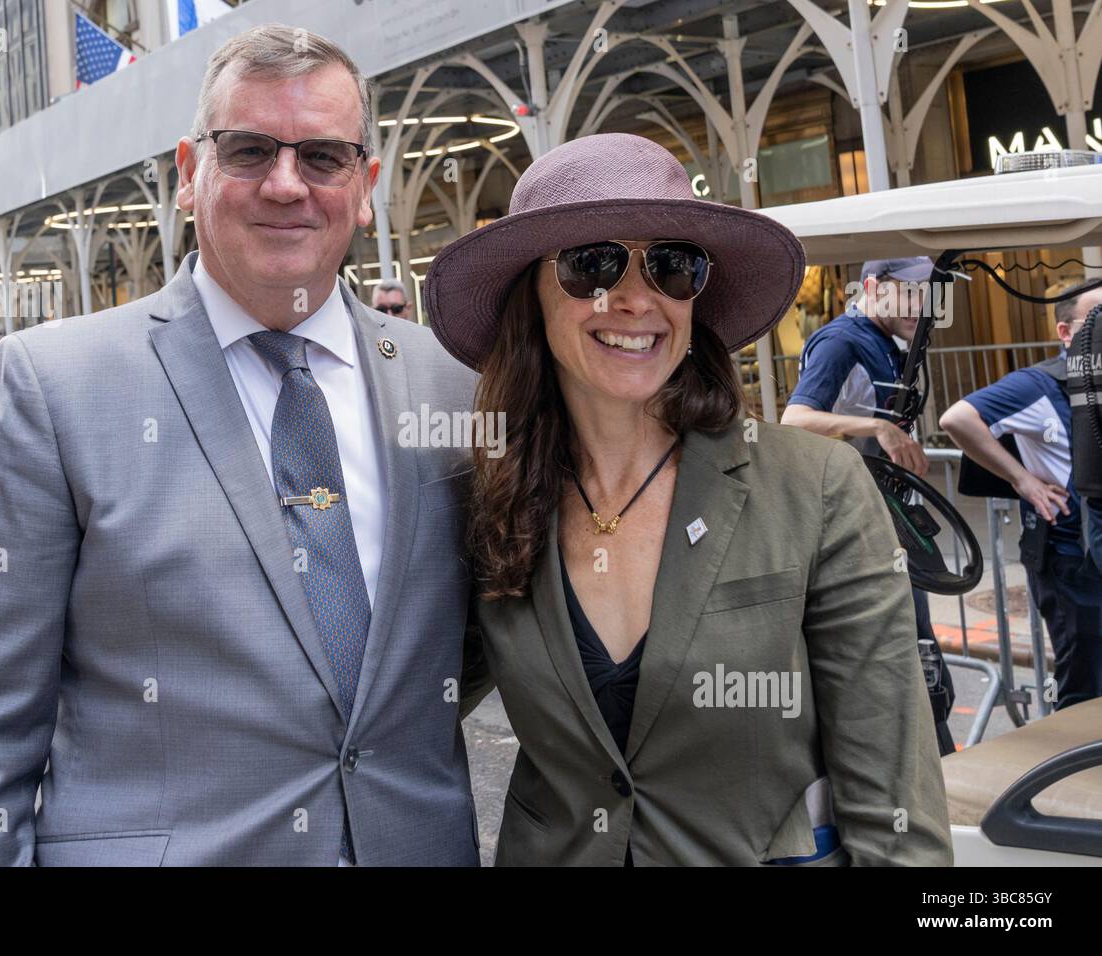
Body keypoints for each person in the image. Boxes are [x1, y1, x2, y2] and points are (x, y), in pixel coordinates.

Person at [0, 24, 481, 866]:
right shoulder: (58, 388)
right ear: (188, 173)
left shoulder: (452, 385)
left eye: (323, 157)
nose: (287, 185)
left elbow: (468, 646)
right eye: (248, 150)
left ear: (365, 186)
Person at [427, 133, 952, 866]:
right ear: (531, 294)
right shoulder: (490, 497)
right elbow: (405, 712)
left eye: (674, 265)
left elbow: (895, 807)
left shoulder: (816, 487)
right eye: (593, 264)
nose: (638, 298)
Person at [780, 258, 957, 755]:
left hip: (889, 526)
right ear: (874, 287)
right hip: (854, 534)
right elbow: (795, 419)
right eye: (909, 294)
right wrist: (876, 428)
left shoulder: (887, 343)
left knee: (917, 660)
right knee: (894, 662)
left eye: (926, 296)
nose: (920, 307)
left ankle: (934, 767)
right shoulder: (842, 342)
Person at [940, 281, 1102, 711]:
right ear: (1067, 333)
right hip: (1071, 559)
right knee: (1085, 684)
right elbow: (958, 418)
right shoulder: (1039, 384)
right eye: (1099, 316)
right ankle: (1076, 771)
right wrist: (1022, 479)